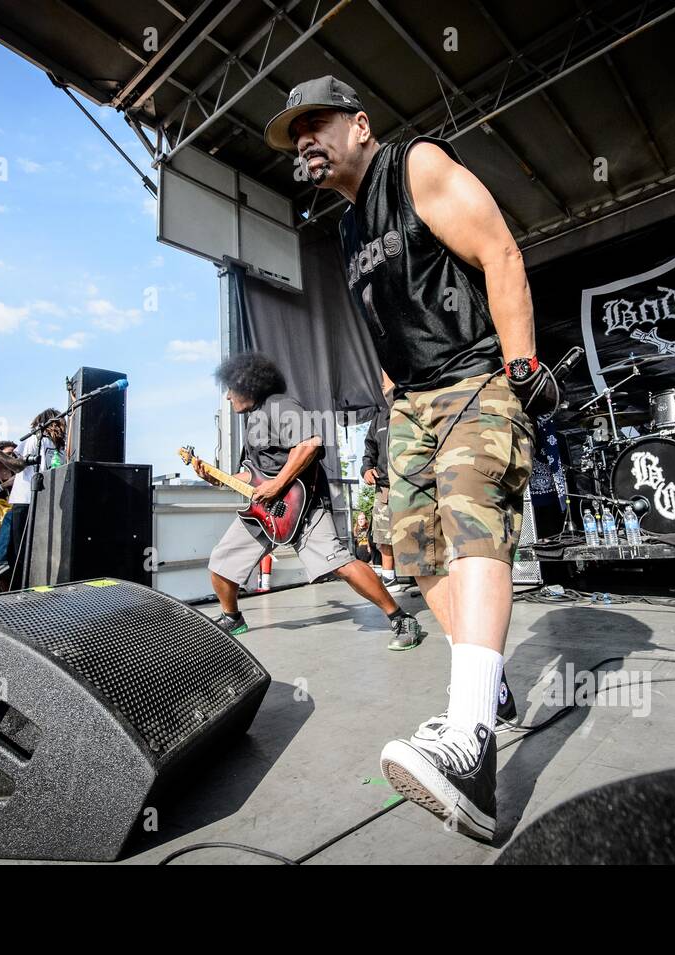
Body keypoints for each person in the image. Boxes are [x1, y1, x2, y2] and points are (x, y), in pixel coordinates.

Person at [266, 76, 559, 839]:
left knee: (471, 519)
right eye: (295, 137)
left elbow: (498, 251)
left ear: (360, 125)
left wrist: (522, 369)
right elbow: (387, 326)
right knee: (415, 549)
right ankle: (484, 679)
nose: (304, 142)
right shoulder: (345, 228)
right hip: (410, 402)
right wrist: (388, 417)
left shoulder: (415, 166)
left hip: (477, 376)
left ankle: (470, 749)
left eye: (316, 124)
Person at [194, 352, 424, 649]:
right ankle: (232, 617)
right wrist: (215, 477)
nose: (227, 397)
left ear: (247, 385)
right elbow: (252, 477)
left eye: (230, 389)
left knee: (340, 564)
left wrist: (278, 484)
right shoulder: (254, 421)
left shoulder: (280, 406)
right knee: (221, 563)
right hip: (263, 513)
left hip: (301, 508)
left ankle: (400, 617)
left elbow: (309, 444)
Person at [0, 409, 66, 589]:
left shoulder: (47, 443)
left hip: (36, 501)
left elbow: (22, 466)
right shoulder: (47, 443)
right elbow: (22, 466)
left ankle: (27, 586)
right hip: (36, 501)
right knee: (28, 550)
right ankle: (24, 586)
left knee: (29, 550)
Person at [360, 394, 402, 590]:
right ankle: (388, 576)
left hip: (411, 484)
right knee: (384, 535)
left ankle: (418, 574)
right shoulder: (379, 418)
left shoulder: (412, 407)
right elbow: (369, 450)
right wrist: (366, 469)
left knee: (416, 530)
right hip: (384, 487)